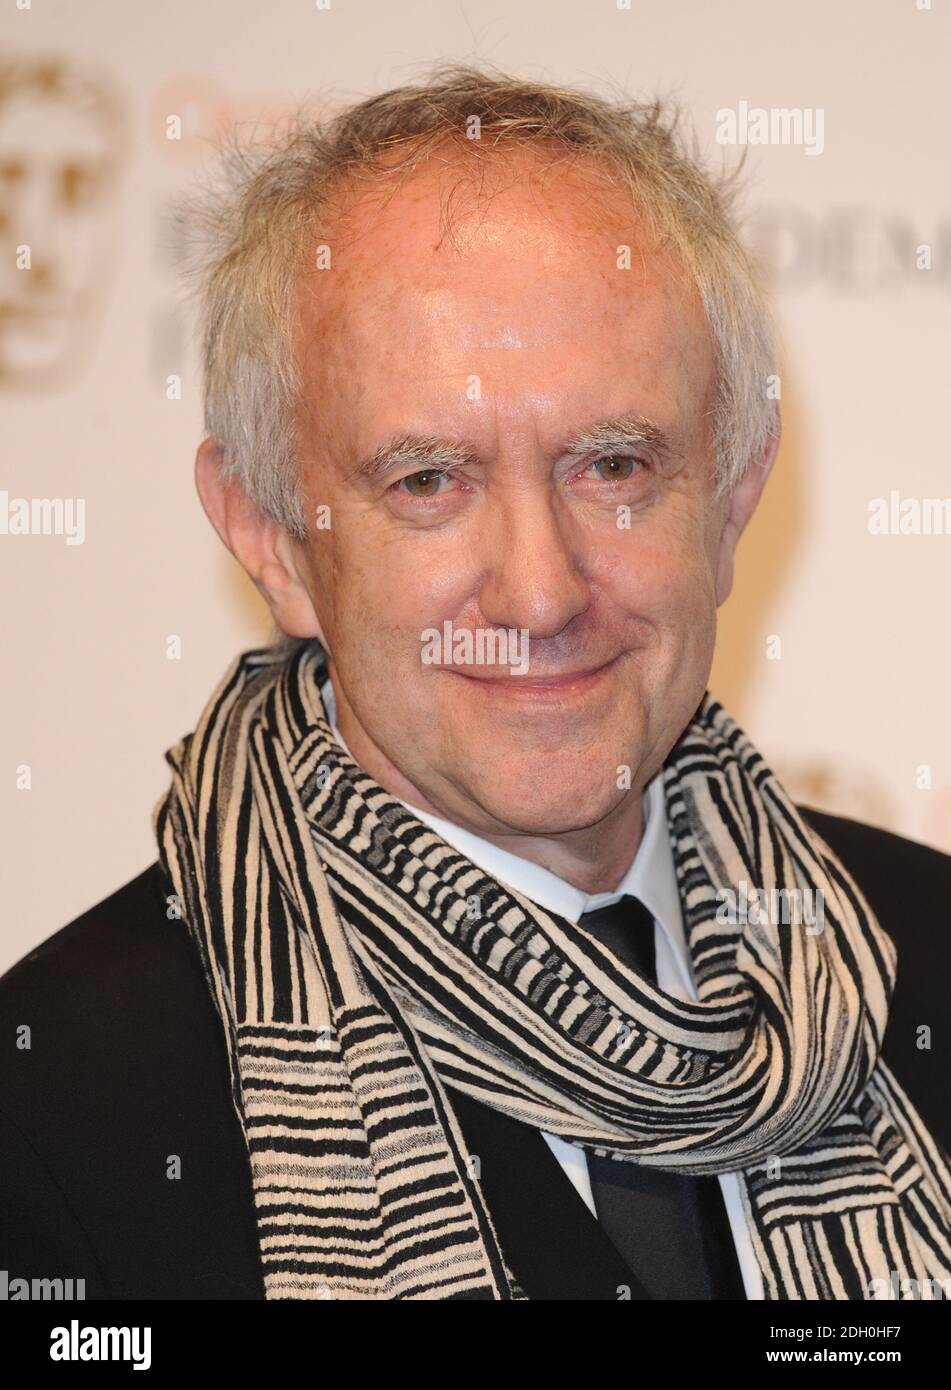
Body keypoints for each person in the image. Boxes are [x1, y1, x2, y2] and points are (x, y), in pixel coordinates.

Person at [2, 64, 949, 1302]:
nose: (542, 592)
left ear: (731, 496)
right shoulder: (57, 1112)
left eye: (613, 464)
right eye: (429, 483)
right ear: (271, 537)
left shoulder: (918, 957)